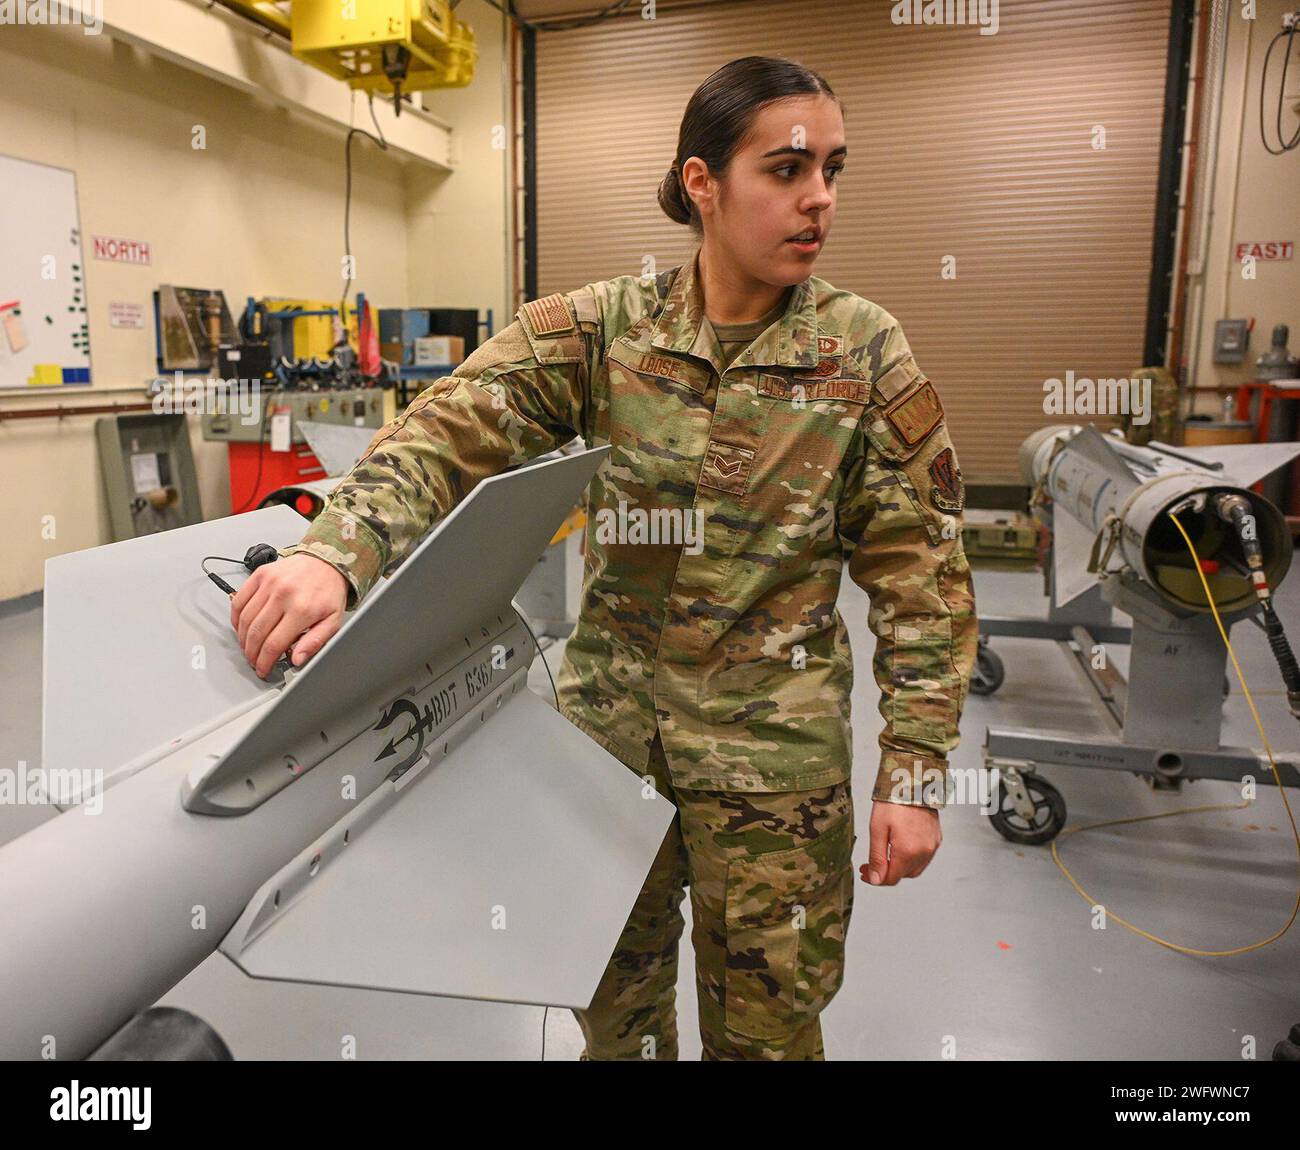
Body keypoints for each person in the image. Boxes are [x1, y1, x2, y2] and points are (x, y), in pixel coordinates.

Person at [230, 55, 978, 1061]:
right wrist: (336, 553)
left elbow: (922, 574)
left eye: (833, 170)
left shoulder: (863, 354)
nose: (819, 201)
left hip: (771, 780)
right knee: (608, 1021)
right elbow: (446, 431)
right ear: (702, 182)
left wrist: (915, 771)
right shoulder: (604, 332)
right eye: (787, 169)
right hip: (607, 752)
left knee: (769, 1037)